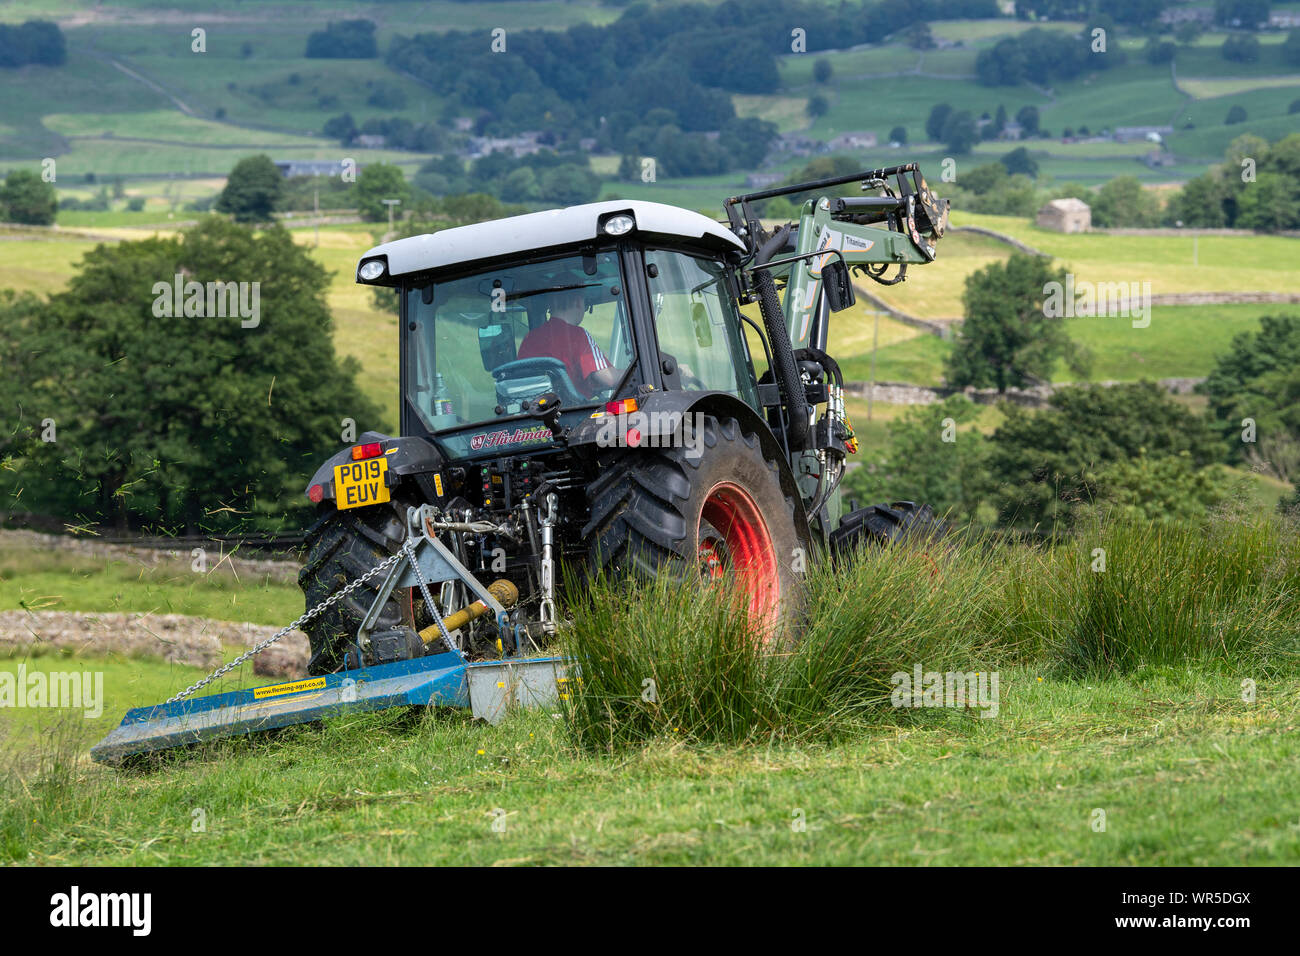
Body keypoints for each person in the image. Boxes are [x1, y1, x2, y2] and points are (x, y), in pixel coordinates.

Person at [517, 271, 621, 399]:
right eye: (585, 304)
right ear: (578, 302)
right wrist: (634, 372)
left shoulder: (529, 339)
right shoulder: (579, 335)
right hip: (572, 413)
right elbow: (608, 378)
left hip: (538, 411)